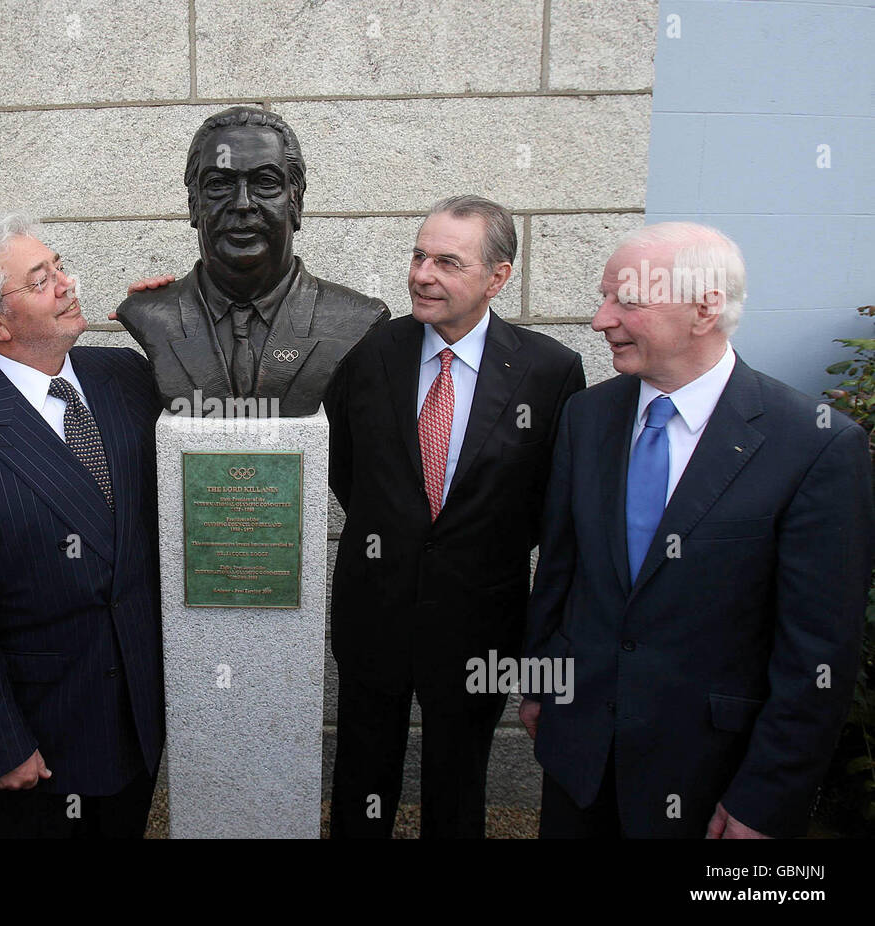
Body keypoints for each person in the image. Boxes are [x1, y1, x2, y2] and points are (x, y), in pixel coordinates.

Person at [520, 222, 874, 838]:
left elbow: (818, 653)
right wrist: (539, 680)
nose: (601, 320)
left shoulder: (816, 445)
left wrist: (766, 799)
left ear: (706, 307)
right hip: (578, 760)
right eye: (605, 298)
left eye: (626, 300)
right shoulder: (586, 416)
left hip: (710, 779)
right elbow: (560, 569)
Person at [0, 214, 164, 838]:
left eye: (59, 266)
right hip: (45, 726)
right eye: (40, 279)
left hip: (140, 705)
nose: (67, 284)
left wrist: (181, 315)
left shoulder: (125, 374)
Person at [324, 195, 585, 838]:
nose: (422, 274)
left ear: (497, 277)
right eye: (418, 255)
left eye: (447, 261)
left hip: (479, 618)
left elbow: (552, 505)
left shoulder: (548, 371)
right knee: (362, 771)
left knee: (459, 777)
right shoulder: (369, 352)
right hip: (374, 607)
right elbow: (347, 470)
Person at [117, 106, 388, 416]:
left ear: (295, 203)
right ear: (194, 205)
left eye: (265, 182)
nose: (242, 204)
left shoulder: (355, 316)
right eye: (219, 184)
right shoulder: (149, 313)